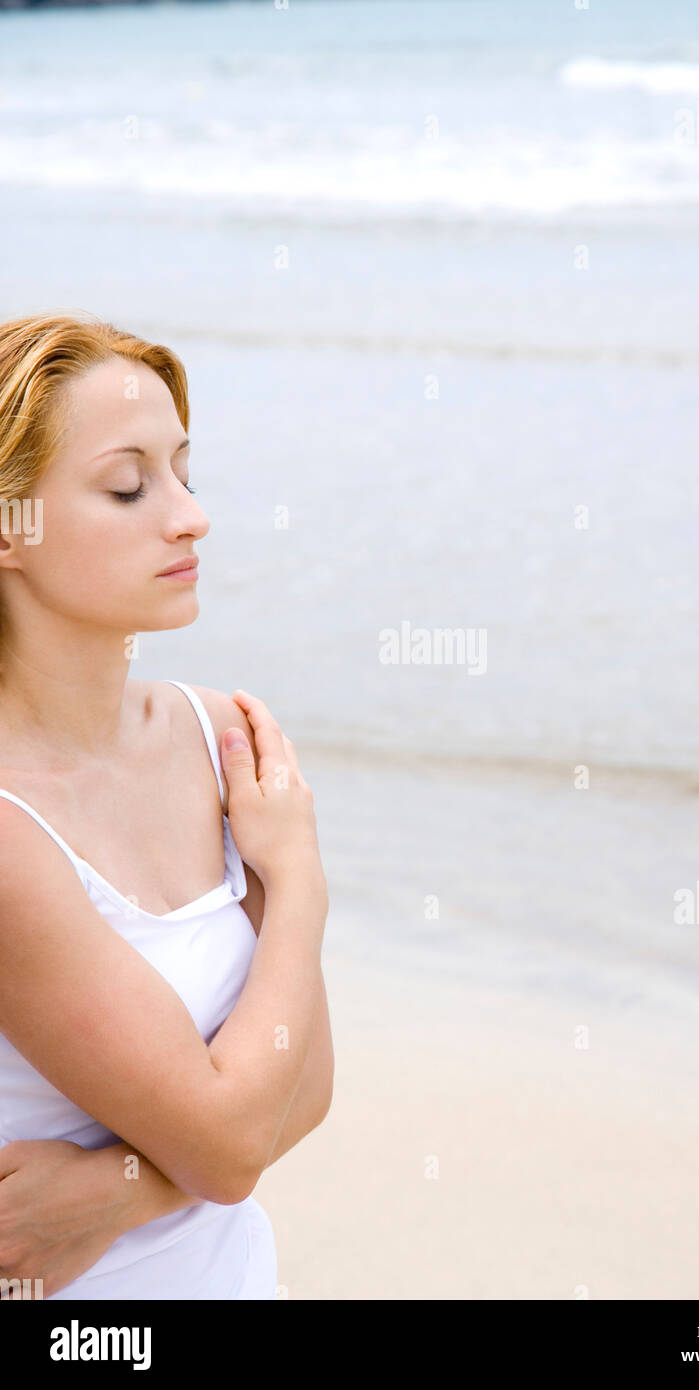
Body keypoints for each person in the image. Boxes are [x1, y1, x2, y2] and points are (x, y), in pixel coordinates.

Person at [0, 312, 332, 1299]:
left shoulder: (219, 732)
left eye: (183, 471)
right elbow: (232, 1148)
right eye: (127, 485)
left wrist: (120, 1188)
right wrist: (300, 882)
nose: (190, 515)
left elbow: (301, 1093)